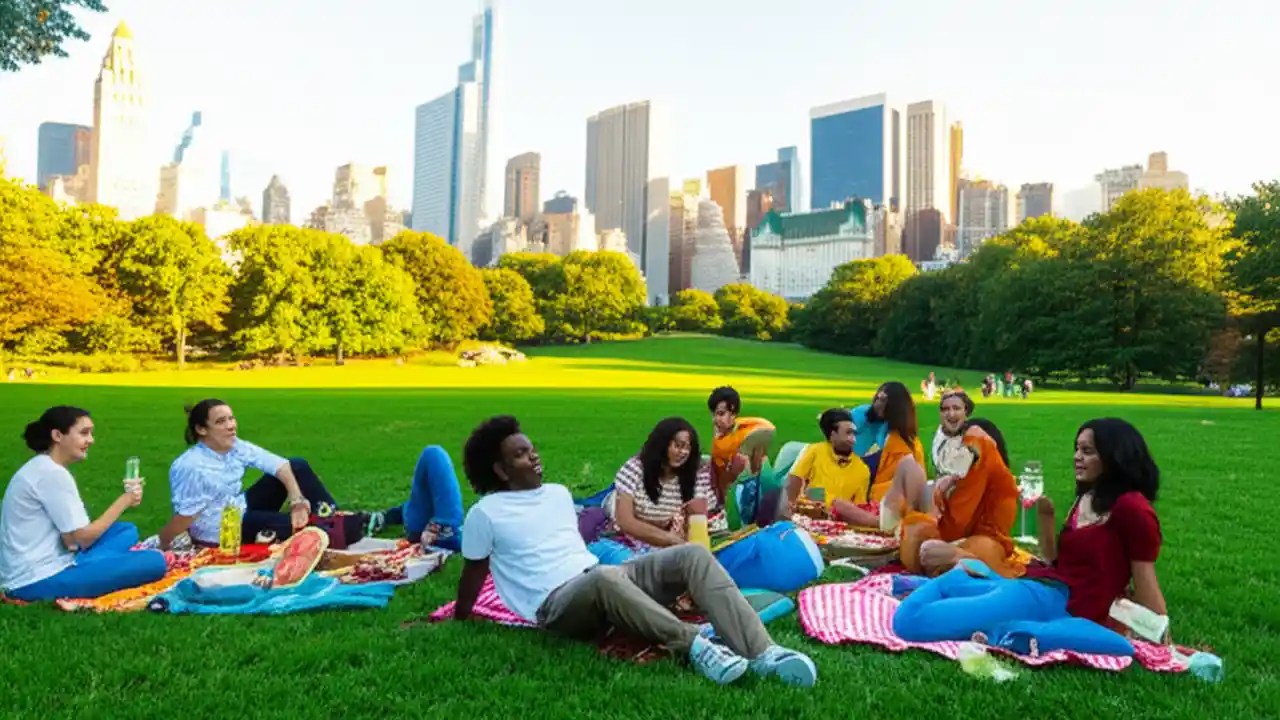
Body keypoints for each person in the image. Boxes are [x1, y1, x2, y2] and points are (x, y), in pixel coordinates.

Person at [454, 415, 818, 687]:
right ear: (501, 470)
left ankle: (763, 652)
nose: (533, 458)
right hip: (558, 607)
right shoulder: (484, 514)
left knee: (692, 555)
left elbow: (568, 547)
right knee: (604, 576)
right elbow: (473, 573)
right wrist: (461, 617)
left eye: (531, 449)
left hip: (604, 579)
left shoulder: (558, 493)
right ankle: (695, 646)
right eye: (520, 455)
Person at [892, 418, 1168, 658]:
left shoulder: (1132, 508)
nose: (1077, 457)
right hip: (1038, 594)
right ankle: (957, 588)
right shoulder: (1088, 497)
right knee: (910, 621)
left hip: (1058, 603)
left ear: (1113, 457)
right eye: (1077, 449)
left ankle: (965, 588)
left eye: (1087, 451)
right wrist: (1047, 522)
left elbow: (1145, 579)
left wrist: (1162, 637)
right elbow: (1057, 562)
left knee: (1120, 646)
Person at [1, 407, 166, 601]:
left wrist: (73, 541)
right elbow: (83, 539)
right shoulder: (53, 475)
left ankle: (89, 564)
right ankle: (87, 566)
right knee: (155, 561)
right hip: (36, 579)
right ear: (57, 435)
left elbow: (71, 539)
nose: (91, 440)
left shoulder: (42, 467)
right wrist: (125, 500)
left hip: (44, 561)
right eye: (84, 433)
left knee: (126, 530)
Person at [158, 399, 350, 550]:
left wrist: (296, 501)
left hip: (238, 507)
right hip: (219, 530)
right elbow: (185, 516)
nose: (231, 426)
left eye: (231, 418)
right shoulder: (191, 466)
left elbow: (281, 466)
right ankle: (341, 527)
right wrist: (162, 542)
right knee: (314, 532)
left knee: (296, 465)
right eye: (221, 421)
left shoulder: (234, 445)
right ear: (201, 429)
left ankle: (335, 517)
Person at [897, 418, 1023, 578]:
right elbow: (939, 519)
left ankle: (968, 566)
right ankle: (951, 565)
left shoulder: (996, 477)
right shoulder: (960, 474)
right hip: (959, 540)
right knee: (916, 531)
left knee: (936, 551)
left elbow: (959, 520)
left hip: (986, 542)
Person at [606, 417, 717, 549]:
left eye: (688, 448)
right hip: (632, 537)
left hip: (673, 539)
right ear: (662, 443)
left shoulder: (696, 474)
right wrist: (669, 539)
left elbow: (702, 518)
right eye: (679, 446)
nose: (684, 453)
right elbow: (625, 521)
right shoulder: (635, 468)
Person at [782, 408, 876, 526]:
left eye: (854, 433)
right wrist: (789, 509)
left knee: (841, 505)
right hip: (808, 514)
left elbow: (859, 506)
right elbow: (794, 480)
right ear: (833, 435)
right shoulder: (815, 451)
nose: (853, 438)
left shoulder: (862, 469)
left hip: (840, 522)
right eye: (848, 433)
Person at [377, 445, 466, 551]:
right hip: (432, 531)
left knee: (433, 454)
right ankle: (443, 527)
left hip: (434, 532)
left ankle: (443, 526)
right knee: (433, 454)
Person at [868, 382, 927, 531]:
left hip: (886, 508)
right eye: (877, 398)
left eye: (883, 400)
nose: (877, 404)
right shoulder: (880, 432)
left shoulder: (903, 444)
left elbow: (899, 486)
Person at [706, 386, 774, 501]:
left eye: (721, 414)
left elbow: (768, 428)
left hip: (750, 487)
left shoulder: (746, 429)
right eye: (714, 415)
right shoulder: (720, 439)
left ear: (733, 412)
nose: (715, 420)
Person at [931, 389, 975, 477]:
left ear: (965, 411)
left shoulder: (973, 438)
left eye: (956, 408)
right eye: (946, 409)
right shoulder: (940, 435)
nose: (951, 414)